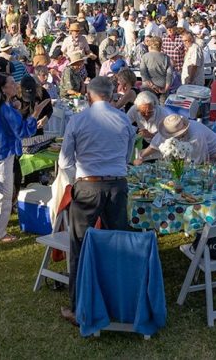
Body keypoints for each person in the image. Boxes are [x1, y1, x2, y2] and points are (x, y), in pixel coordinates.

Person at [57, 75, 134, 326]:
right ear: (111, 95)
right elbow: (127, 155)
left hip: (89, 184)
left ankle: (79, 308)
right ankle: (119, 303)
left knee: (79, 247)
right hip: (115, 184)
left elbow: (64, 161)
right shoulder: (122, 119)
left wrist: (75, 180)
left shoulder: (78, 120)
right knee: (118, 243)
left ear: (89, 95)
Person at [0, 72, 43, 243]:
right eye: (12, 83)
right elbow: (23, 131)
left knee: (0, 193)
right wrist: (35, 115)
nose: (16, 86)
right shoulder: (4, 108)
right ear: (3, 88)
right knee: (3, 195)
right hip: (1, 153)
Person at [135, 113, 216, 164]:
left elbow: (198, 161)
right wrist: (140, 157)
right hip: (194, 156)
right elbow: (154, 146)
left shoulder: (196, 135)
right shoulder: (169, 128)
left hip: (215, 155)